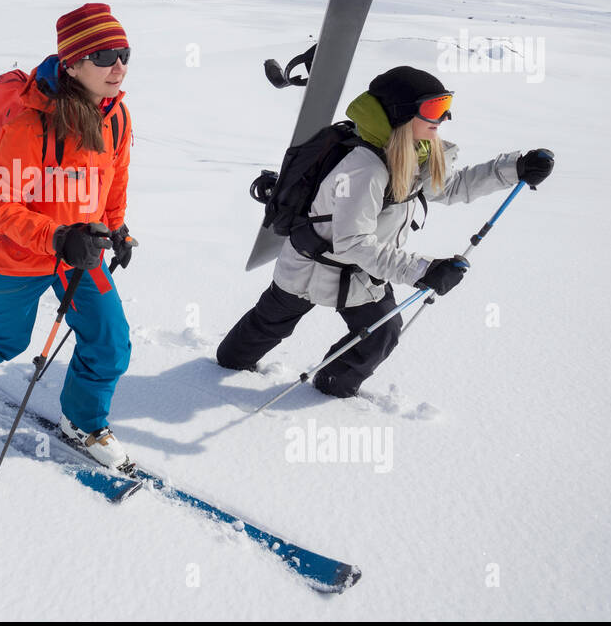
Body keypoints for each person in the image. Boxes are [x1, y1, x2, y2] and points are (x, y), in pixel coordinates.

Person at [217, 65, 555, 397]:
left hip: (362, 274)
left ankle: (331, 388)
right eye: (435, 108)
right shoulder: (364, 169)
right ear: (401, 115)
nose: (444, 118)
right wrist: (424, 270)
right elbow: (352, 242)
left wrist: (514, 169)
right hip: (312, 268)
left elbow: (450, 187)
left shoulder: (413, 153)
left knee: (382, 332)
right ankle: (226, 366)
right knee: (269, 323)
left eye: (447, 106)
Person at [0, 3, 137, 468]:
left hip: (81, 252)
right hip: (21, 254)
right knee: (7, 342)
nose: (119, 66)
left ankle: (84, 422)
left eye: (125, 53)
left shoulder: (116, 116)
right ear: (73, 63)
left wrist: (117, 228)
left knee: (110, 338)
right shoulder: (30, 122)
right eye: (106, 55)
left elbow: (115, 179)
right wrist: (56, 237)